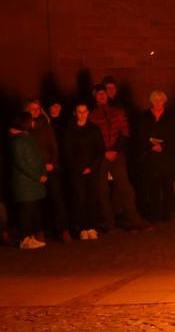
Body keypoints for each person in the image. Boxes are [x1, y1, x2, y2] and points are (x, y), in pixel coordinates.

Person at [90, 87, 148, 232]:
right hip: (101, 156)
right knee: (102, 190)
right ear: (95, 97)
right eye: (99, 94)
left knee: (125, 188)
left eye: (104, 93)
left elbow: (125, 132)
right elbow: (91, 137)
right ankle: (109, 223)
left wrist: (115, 150)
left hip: (117, 154)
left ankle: (134, 219)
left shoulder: (118, 112)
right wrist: (104, 152)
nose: (102, 96)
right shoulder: (92, 115)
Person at [25, 100, 69, 242]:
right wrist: (39, 168)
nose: (36, 111)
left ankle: (62, 230)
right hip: (35, 171)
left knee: (57, 199)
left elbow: (54, 146)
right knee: (37, 202)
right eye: (32, 109)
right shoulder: (25, 129)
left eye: (38, 108)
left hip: (50, 168)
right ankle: (40, 230)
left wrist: (53, 164)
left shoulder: (46, 125)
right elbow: (27, 151)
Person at [64, 103, 105, 240]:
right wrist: (78, 168)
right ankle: (82, 227)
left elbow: (100, 150)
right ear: (75, 113)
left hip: (92, 170)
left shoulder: (94, 129)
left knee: (92, 198)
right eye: (79, 112)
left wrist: (92, 167)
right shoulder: (70, 130)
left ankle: (92, 226)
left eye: (84, 111)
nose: (82, 114)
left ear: (88, 113)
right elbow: (67, 151)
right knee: (79, 198)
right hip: (76, 171)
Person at [136, 90, 175, 223]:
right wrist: (150, 146)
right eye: (155, 100)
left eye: (160, 100)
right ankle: (154, 213)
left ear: (164, 102)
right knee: (153, 186)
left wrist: (163, 147)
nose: (158, 103)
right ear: (151, 101)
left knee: (167, 186)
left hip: (166, 157)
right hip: (151, 157)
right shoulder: (145, 116)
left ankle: (167, 213)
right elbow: (140, 136)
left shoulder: (171, 117)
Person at [9, 112, 47, 249]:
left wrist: (43, 172)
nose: (33, 123)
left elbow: (37, 156)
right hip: (25, 184)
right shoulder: (17, 141)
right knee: (26, 212)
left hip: (32, 183)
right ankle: (24, 239)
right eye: (31, 120)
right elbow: (21, 163)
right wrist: (38, 176)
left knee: (31, 210)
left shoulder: (26, 137)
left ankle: (30, 236)